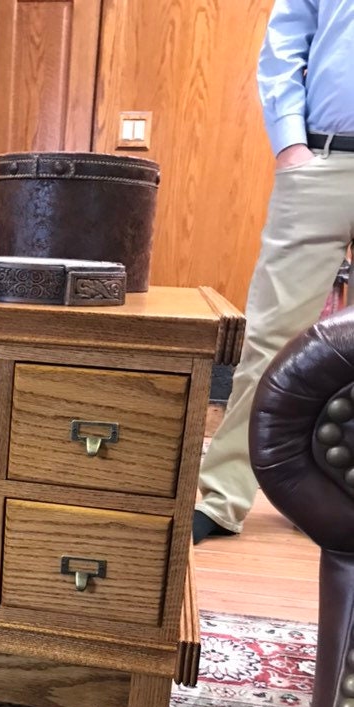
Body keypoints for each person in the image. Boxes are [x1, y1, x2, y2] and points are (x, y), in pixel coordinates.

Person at [193, 0, 354, 544]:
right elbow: (285, 43)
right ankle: (222, 497)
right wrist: (289, 143)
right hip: (325, 159)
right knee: (270, 339)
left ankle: (333, 495)